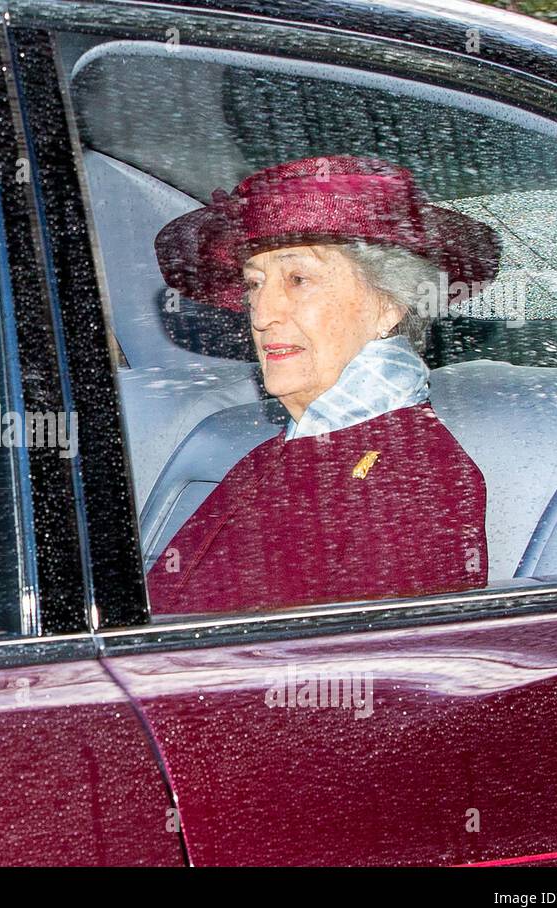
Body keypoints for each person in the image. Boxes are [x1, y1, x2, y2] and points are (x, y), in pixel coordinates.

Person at [146, 155, 495, 615]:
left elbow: (378, 673)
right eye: (254, 284)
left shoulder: (418, 477)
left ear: (388, 306)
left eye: (299, 279)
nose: (262, 313)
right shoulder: (268, 456)